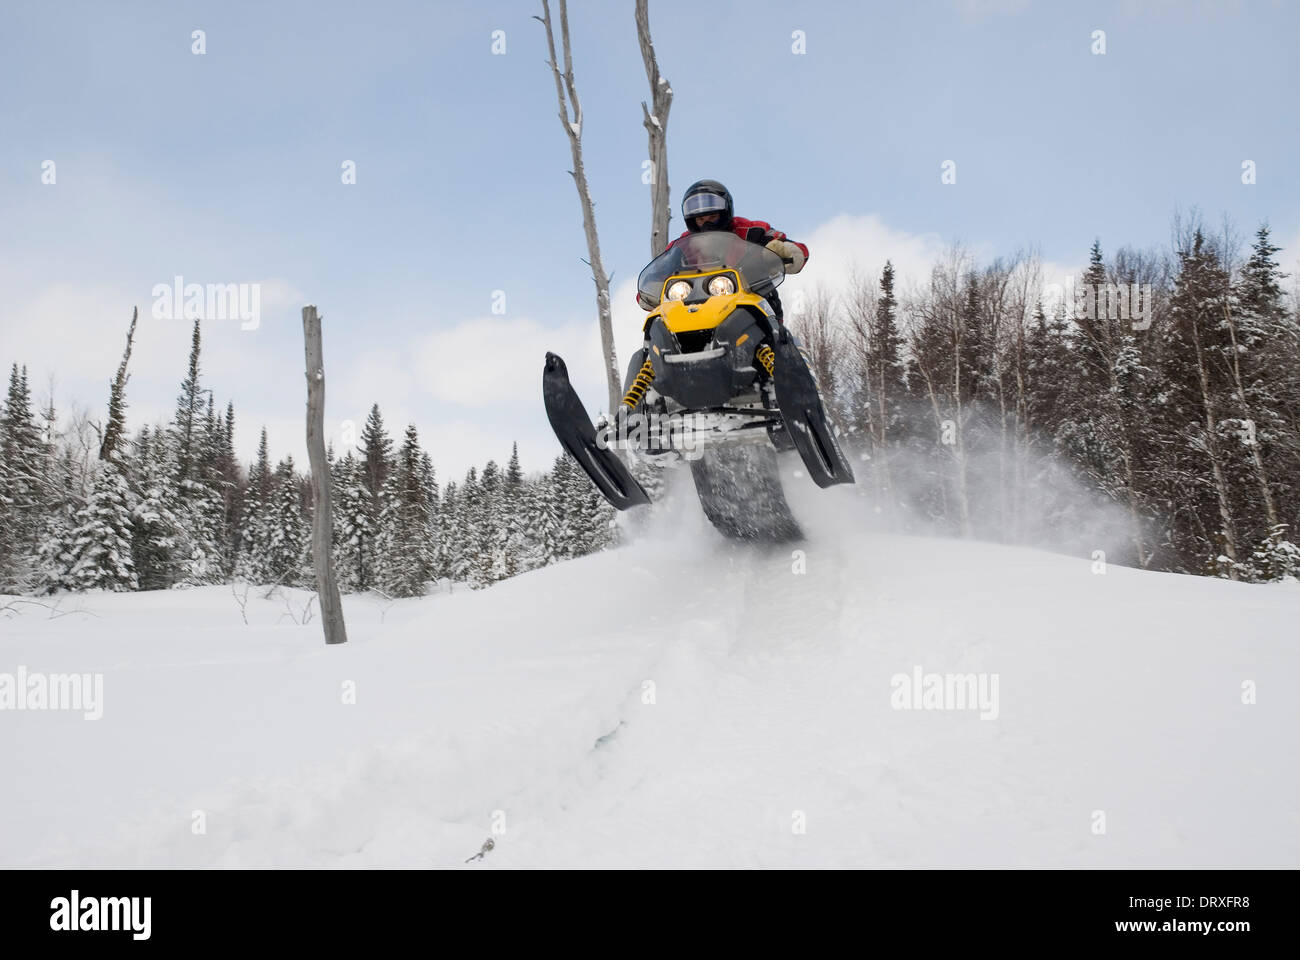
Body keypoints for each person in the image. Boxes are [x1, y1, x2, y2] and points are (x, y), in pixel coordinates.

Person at [651, 179, 809, 322]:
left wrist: (782, 252)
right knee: (656, 326)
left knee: (787, 342)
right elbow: (660, 270)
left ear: (724, 212)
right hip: (694, 314)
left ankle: (784, 346)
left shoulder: (751, 231)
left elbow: (796, 251)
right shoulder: (681, 247)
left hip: (754, 308)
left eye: (712, 217)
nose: (706, 225)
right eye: (700, 220)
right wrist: (652, 288)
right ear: (692, 221)